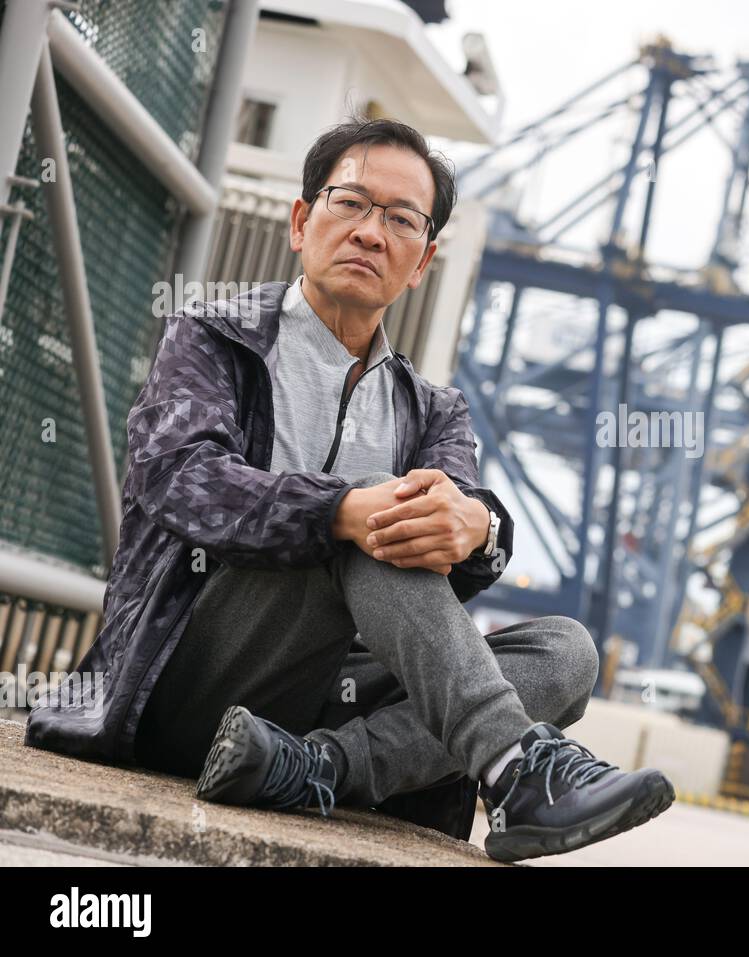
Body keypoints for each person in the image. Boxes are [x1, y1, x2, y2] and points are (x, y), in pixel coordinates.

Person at [23, 116, 674, 863]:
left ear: (422, 260)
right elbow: (182, 480)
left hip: (323, 707)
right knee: (373, 510)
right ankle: (515, 767)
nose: (371, 232)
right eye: (351, 204)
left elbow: (451, 537)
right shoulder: (213, 337)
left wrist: (475, 526)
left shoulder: (434, 409)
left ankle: (317, 768)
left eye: (400, 219)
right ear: (302, 222)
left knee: (568, 651)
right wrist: (340, 510)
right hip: (190, 674)